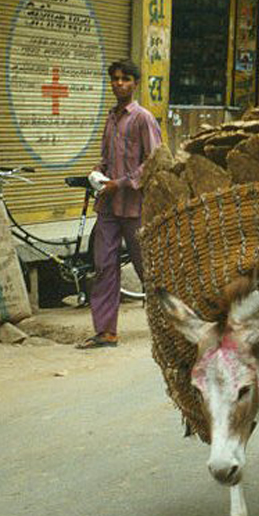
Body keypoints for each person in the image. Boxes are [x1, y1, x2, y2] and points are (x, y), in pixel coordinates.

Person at [77, 59, 162, 349]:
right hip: (108, 207)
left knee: (147, 269)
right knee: (104, 267)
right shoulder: (111, 118)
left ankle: (168, 326)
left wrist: (122, 182)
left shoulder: (142, 118)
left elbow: (154, 161)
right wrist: (98, 172)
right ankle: (106, 332)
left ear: (135, 83)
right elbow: (106, 157)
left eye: (125, 79)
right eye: (115, 79)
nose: (119, 84)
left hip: (135, 207)